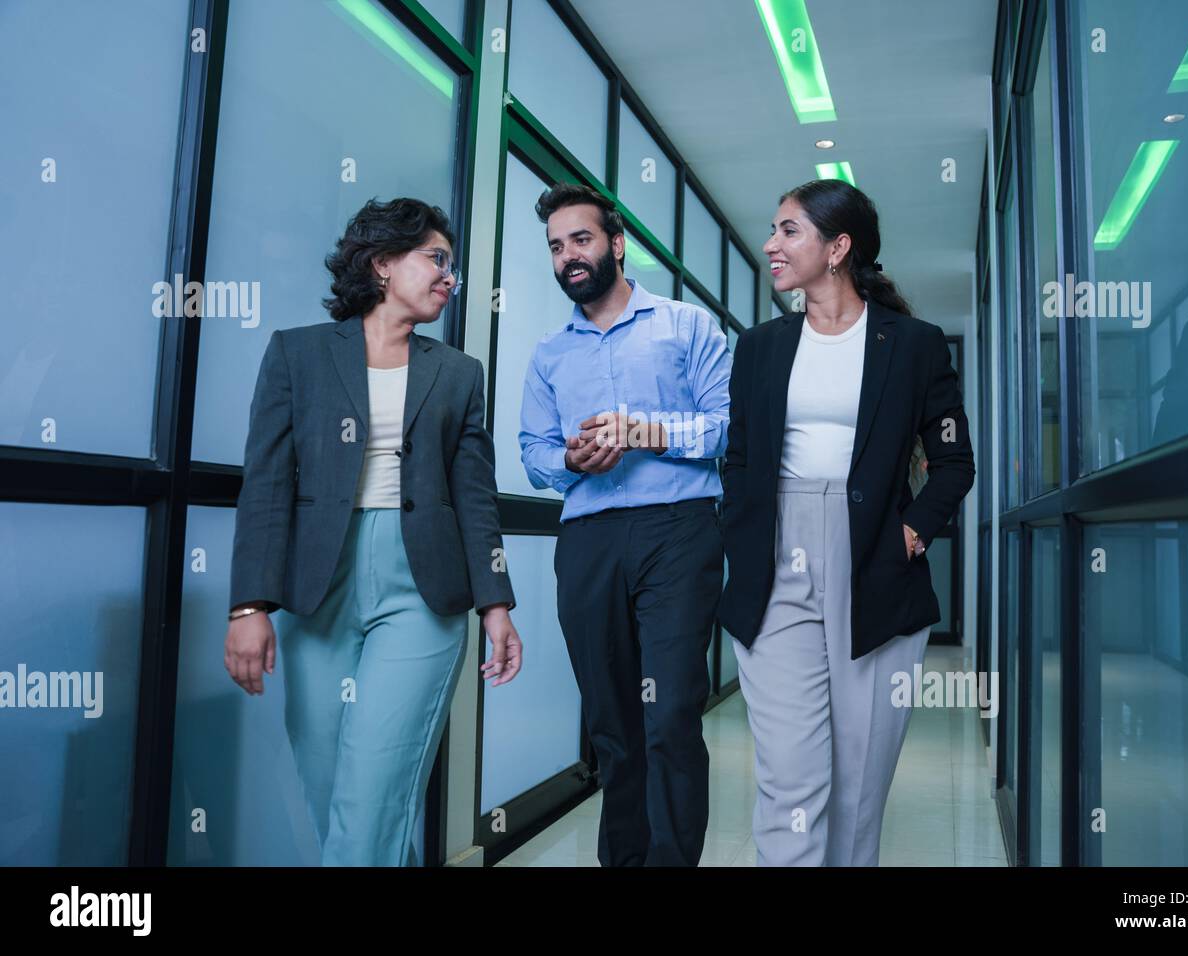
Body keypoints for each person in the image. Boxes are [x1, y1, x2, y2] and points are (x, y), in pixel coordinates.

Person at [223, 197, 522, 866]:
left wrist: (497, 604)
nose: (451, 276)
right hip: (316, 583)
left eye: (454, 265)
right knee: (335, 785)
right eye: (436, 260)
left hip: (422, 589)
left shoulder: (457, 373)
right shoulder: (297, 354)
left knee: (375, 790)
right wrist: (249, 604)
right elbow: (266, 484)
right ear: (383, 264)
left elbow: (474, 496)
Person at [719, 179, 974, 866]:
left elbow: (954, 463)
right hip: (776, 560)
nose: (771, 244)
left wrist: (911, 533)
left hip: (876, 560)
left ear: (838, 248)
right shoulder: (760, 347)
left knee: (858, 785)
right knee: (789, 779)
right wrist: (742, 534)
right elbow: (739, 458)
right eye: (772, 230)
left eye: (789, 231)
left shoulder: (914, 345)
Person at [518, 182, 731, 866]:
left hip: (678, 531)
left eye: (580, 240)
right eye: (556, 247)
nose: (568, 257)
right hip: (588, 540)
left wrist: (645, 430)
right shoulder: (550, 354)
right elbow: (534, 453)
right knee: (612, 726)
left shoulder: (687, 325)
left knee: (668, 715)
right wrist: (570, 458)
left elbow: (729, 427)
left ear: (616, 244)